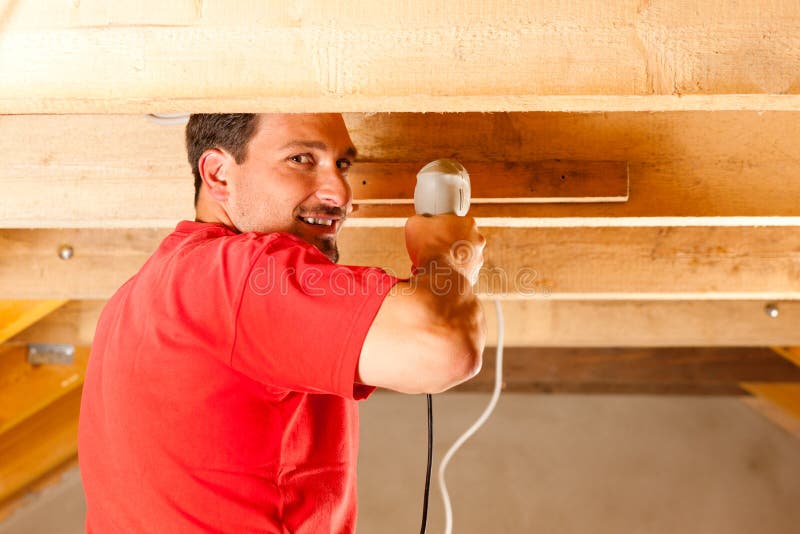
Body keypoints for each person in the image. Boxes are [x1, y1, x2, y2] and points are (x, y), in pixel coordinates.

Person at [78, 113, 486, 533]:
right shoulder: (237, 271)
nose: (340, 192)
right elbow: (441, 347)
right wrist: (447, 255)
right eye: (301, 159)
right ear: (218, 174)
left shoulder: (136, 297)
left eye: (342, 165)